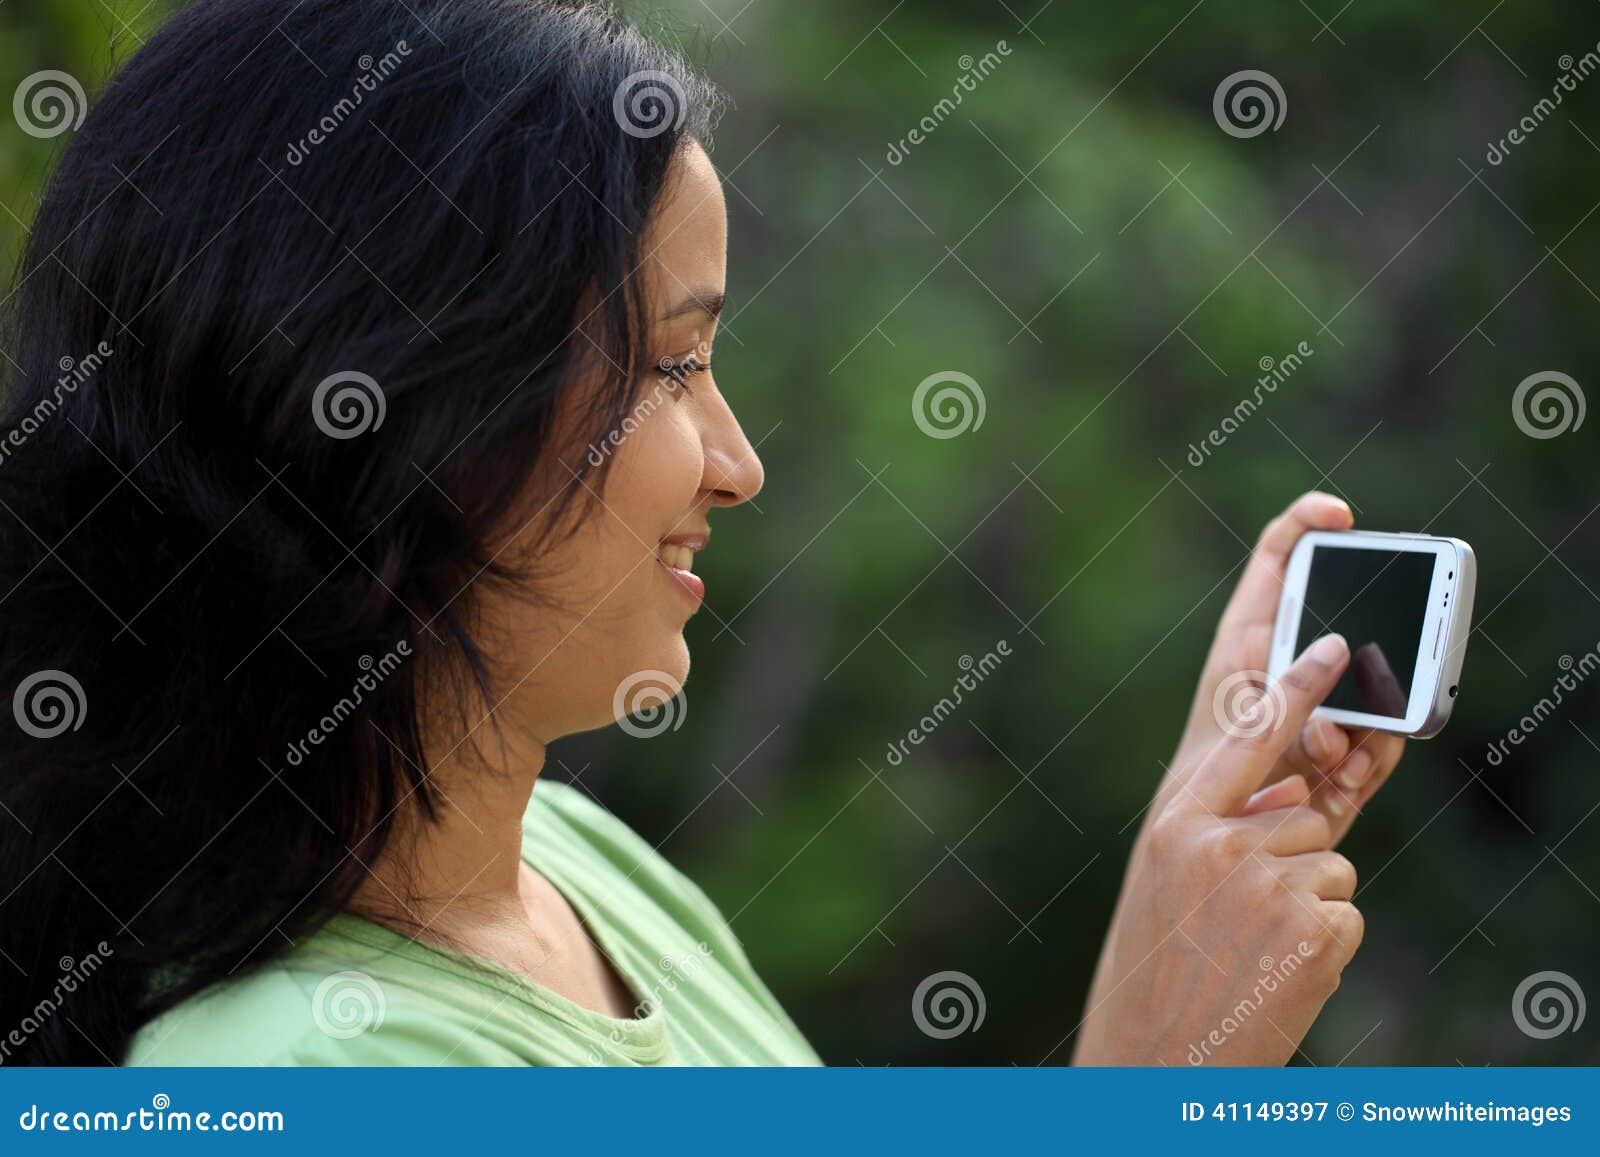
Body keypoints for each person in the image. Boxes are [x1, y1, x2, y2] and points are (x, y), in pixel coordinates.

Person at [0, 0, 1402, 1067]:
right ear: (413, 410)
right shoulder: (316, 1066)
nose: (739, 462)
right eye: (671, 364)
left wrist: (1178, 900)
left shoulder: (584, 867)